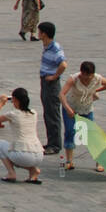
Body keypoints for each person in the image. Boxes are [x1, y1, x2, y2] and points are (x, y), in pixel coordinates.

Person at [61, 61, 106, 172]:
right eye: (85, 77)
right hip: (71, 107)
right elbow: (61, 95)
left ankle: (99, 161)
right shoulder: (73, 78)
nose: (87, 79)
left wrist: (95, 90)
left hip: (86, 108)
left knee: (93, 134)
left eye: (90, 77)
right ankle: (69, 161)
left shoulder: (97, 78)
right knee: (70, 131)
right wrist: (68, 109)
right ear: (81, 73)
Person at [0, 88, 44, 183]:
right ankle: (33, 170)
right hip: (39, 154)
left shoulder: (13, 114)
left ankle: (11, 173)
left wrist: (0, 103)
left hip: (24, 155)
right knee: (17, 152)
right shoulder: (34, 113)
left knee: (0, 145)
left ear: (15, 100)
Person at [37, 22, 67, 155]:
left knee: (52, 114)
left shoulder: (55, 48)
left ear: (44, 33)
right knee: (47, 113)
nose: (38, 34)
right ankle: (50, 142)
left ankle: (55, 145)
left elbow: (63, 64)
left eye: (39, 32)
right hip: (45, 82)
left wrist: (54, 76)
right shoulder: (47, 47)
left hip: (51, 84)